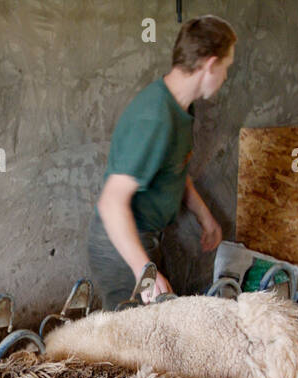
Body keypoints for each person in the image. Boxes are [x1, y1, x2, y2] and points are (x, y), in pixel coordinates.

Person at [88, 15, 236, 308]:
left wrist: (205, 217)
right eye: (226, 68)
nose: (226, 77)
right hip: (123, 245)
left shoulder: (181, 110)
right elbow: (111, 202)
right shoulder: (155, 117)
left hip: (146, 240)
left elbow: (175, 171)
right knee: (132, 344)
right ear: (209, 65)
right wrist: (145, 270)